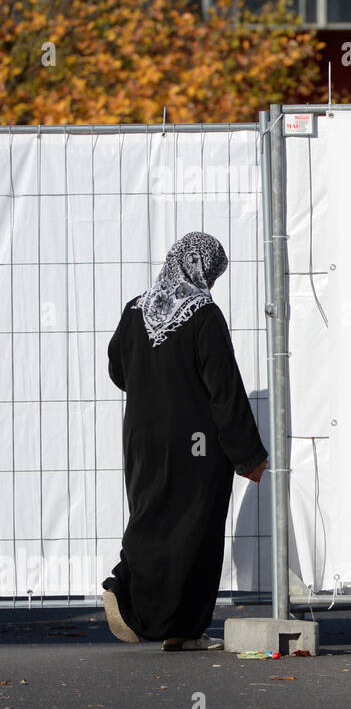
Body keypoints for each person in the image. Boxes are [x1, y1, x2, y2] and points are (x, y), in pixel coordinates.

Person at [102, 231, 269, 651]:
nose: (210, 284)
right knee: (197, 529)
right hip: (198, 446)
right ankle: (181, 624)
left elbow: (117, 370)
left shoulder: (135, 310)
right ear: (202, 270)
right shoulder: (204, 316)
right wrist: (248, 455)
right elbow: (224, 389)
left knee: (152, 515)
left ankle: (137, 599)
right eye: (211, 275)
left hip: (143, 439)